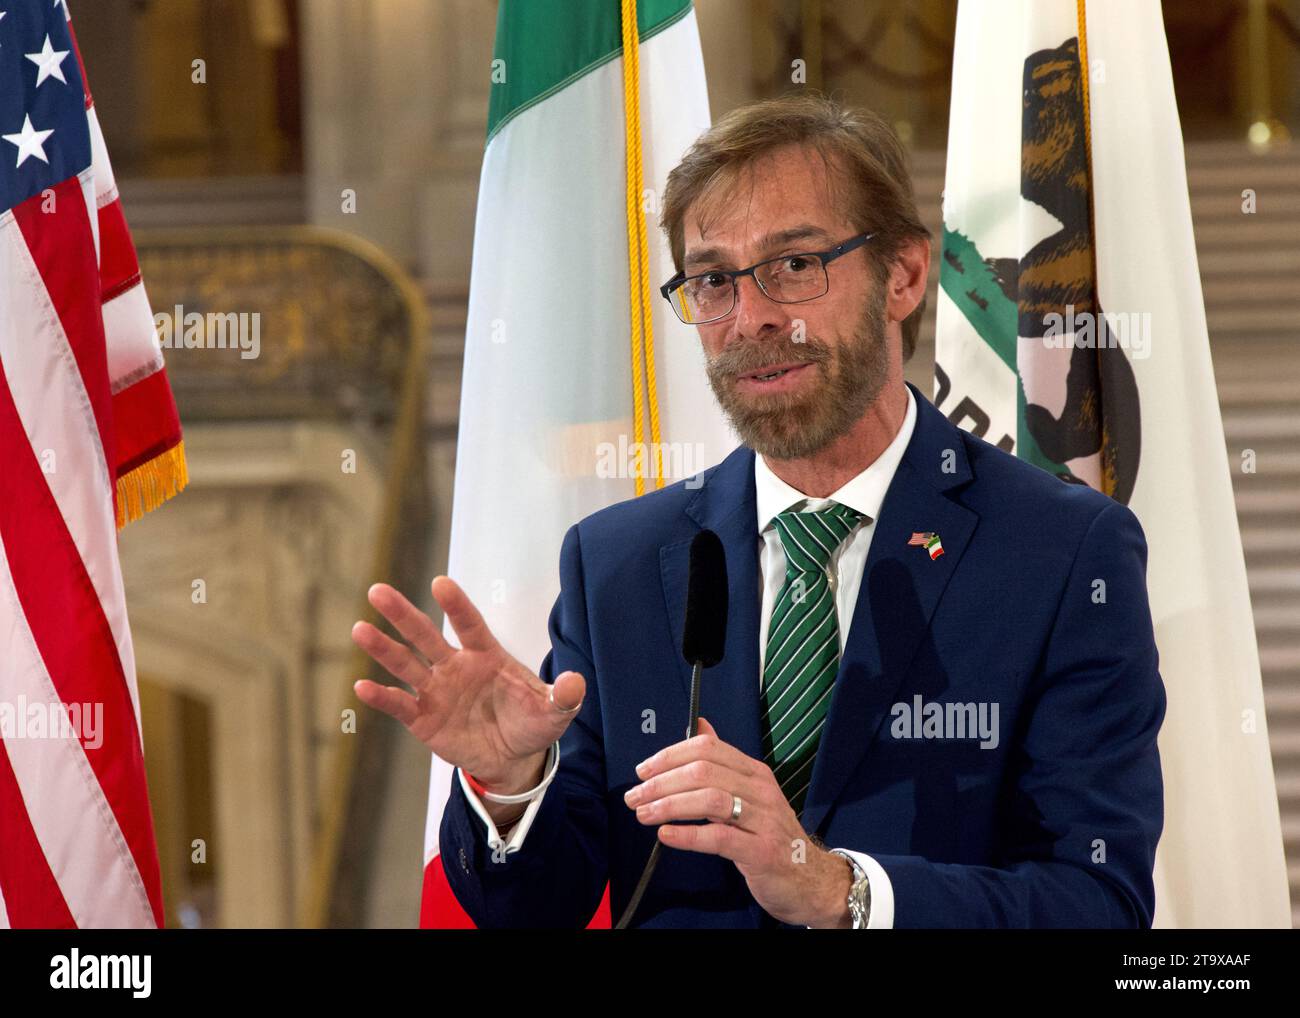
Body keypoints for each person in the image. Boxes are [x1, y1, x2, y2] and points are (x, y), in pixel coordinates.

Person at [351, 92, 1165, 929]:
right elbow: (540, 906)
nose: (753, 317)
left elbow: (1097, 903)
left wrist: (837, 889)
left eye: (795, 264)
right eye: (712, 281)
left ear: (904, 275)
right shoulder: (617, 565)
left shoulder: (1063, 553)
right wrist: (513, 788)